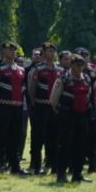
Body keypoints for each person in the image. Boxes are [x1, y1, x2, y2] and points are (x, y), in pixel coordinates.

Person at [50, 54, 95, 184]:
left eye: (81, 65)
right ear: (71, 65)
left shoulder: (86, 78)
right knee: (65, 145)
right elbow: (53, 99)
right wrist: (60, 113)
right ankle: (61, 174)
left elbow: (89, 95)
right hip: (67, 117)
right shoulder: (63, 79)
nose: (79, 68)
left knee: (80, 146)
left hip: (82, 117)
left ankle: (77, 174)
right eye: (76, 65)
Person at [0, 41, 28, 174]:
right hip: (2, 106)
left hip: (17, 108)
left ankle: (14, 165)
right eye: (8, 50)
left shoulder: (21, 70)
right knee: (0, 136)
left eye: (13, 50)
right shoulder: (0, 69)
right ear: (3, 53)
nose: (11, 52)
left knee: (15, 137)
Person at [27, 41, 61, 175]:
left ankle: (52, 164)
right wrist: (34, 105)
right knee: (38, 137)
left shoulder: (59, 70)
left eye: (53, 51)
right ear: (43, 54)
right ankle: (36, 165)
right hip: (41, 106)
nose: (51, 54)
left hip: (54, 108)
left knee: (54, 137)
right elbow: (31, 89)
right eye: (48, 51)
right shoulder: (38, 69)